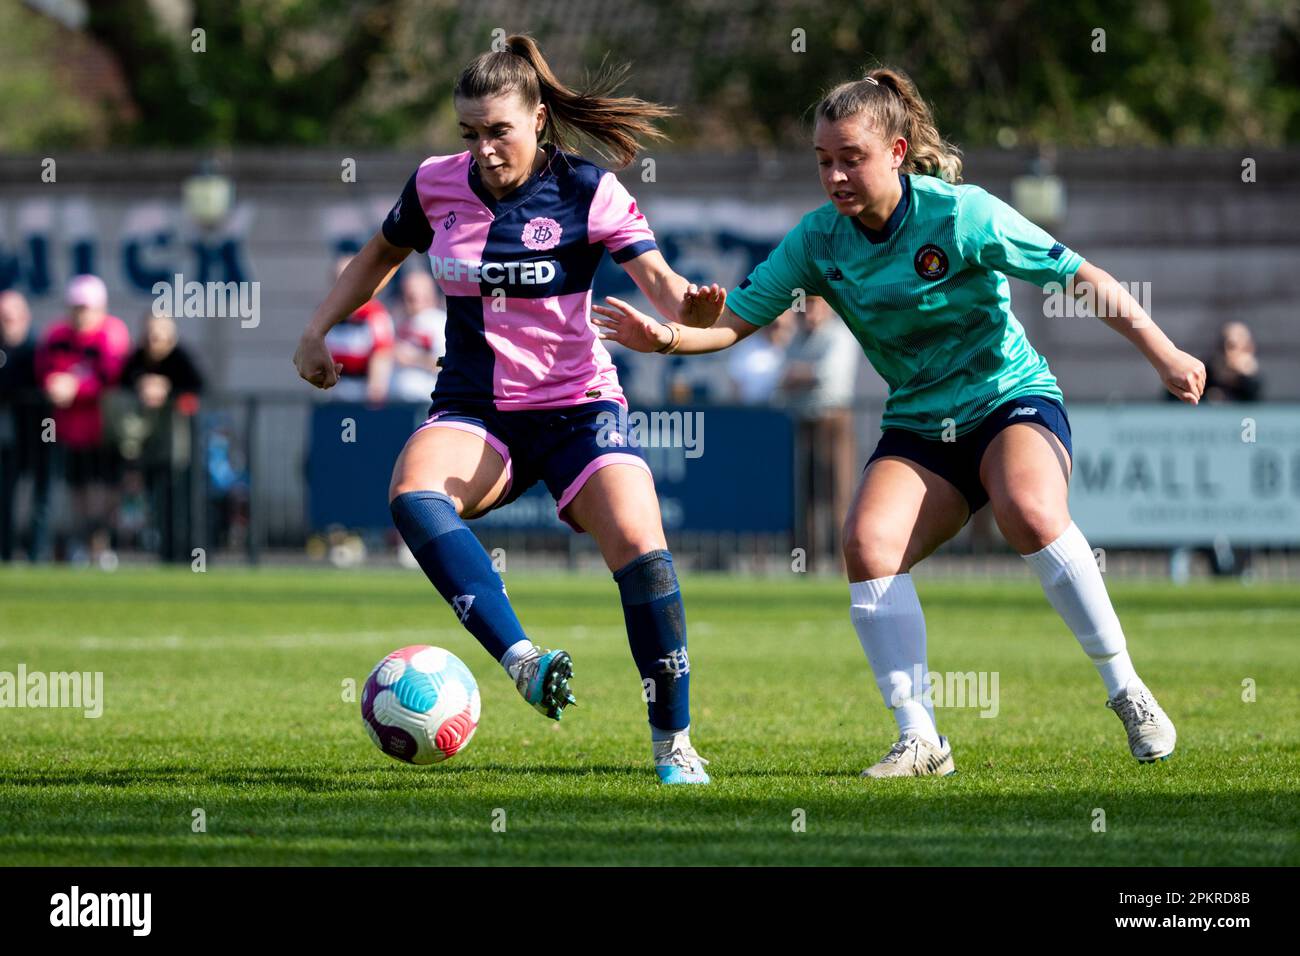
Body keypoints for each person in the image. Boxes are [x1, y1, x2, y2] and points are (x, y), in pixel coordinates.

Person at [593, 66, 1206, 778]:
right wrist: (667, 338)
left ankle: (1127, 690)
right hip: (919, 425)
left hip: (1009, 400)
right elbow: (734, 321)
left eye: (851, 158)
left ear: (897, 150)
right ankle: (921, 741)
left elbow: (1080, 276)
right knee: (867, 544)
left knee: (1030, 511)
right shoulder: (819, 241)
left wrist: (1164, 352)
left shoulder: (963, 214)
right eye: (824, 160)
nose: (835, 176)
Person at [292, 35, 726, 784]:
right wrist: (316, 329)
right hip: (477, 408)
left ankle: (674, 744)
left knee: (643, 550)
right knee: (413, 494)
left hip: (579, 408)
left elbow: (662, 282)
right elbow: (377, 257)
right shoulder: (435, 185)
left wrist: (689, 310)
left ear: (538, 121)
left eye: (499, 131)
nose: (485, 150)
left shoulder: (589, 189)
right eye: (470, 133)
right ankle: (522, 660)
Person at [34, 275, 131, 565]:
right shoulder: (57, 335)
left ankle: (100, 543)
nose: (81, 314)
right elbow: (44, 369)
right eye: (77, 307)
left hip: (105, 430)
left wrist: (76, 386)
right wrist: (54, 383)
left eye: (86, 308)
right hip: (69, 430)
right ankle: (84, 544)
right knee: (77, 491)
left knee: (104, 490)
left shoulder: (111, 334)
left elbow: (110, 375)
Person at [777, 295, 860, 569]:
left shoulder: (839, 335)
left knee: (838, 492)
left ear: (826, 308)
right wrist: (802, 375)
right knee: (806, 495)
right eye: (805, 307)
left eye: (815, 306)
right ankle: (807, 563)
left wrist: (799, 375)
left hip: (832, 421)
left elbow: (827, 373)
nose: (809, 313)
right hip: (804, 422)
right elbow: (783, 376)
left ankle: (844, 564)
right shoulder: (797, 339)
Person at [117, 311, 205, 561]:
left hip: (181, 448)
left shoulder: (181, 358)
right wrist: (142, 387)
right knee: (156, 501)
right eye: (149, 335)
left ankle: (189, 552)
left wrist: (167, 389)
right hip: (150, 447)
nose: (154, 341)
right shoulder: (136, 359)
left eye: (159, 335)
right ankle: (165, 552)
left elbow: (198, 387)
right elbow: (122, 385)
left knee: (183, 501)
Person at [0, 290, 51, 562]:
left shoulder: (38, 349)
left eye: (10, 317)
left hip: (41, 434)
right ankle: (6, 551)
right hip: (10, 439)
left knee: (42, 495)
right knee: (5, 495)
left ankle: (37, 552)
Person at [323, 254, 395, 403]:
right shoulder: (326, 314)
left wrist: (374, 395)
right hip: (335, 393)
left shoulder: (375, 315)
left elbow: (381, 357)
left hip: (362, 394)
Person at [390, 269, 447, 403]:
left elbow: (445, 362)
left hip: (426, 399)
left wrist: (414, 358)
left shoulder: (440, 323)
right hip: (396, 399)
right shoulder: (397, 319)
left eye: (412, 297)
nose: (407, 301)